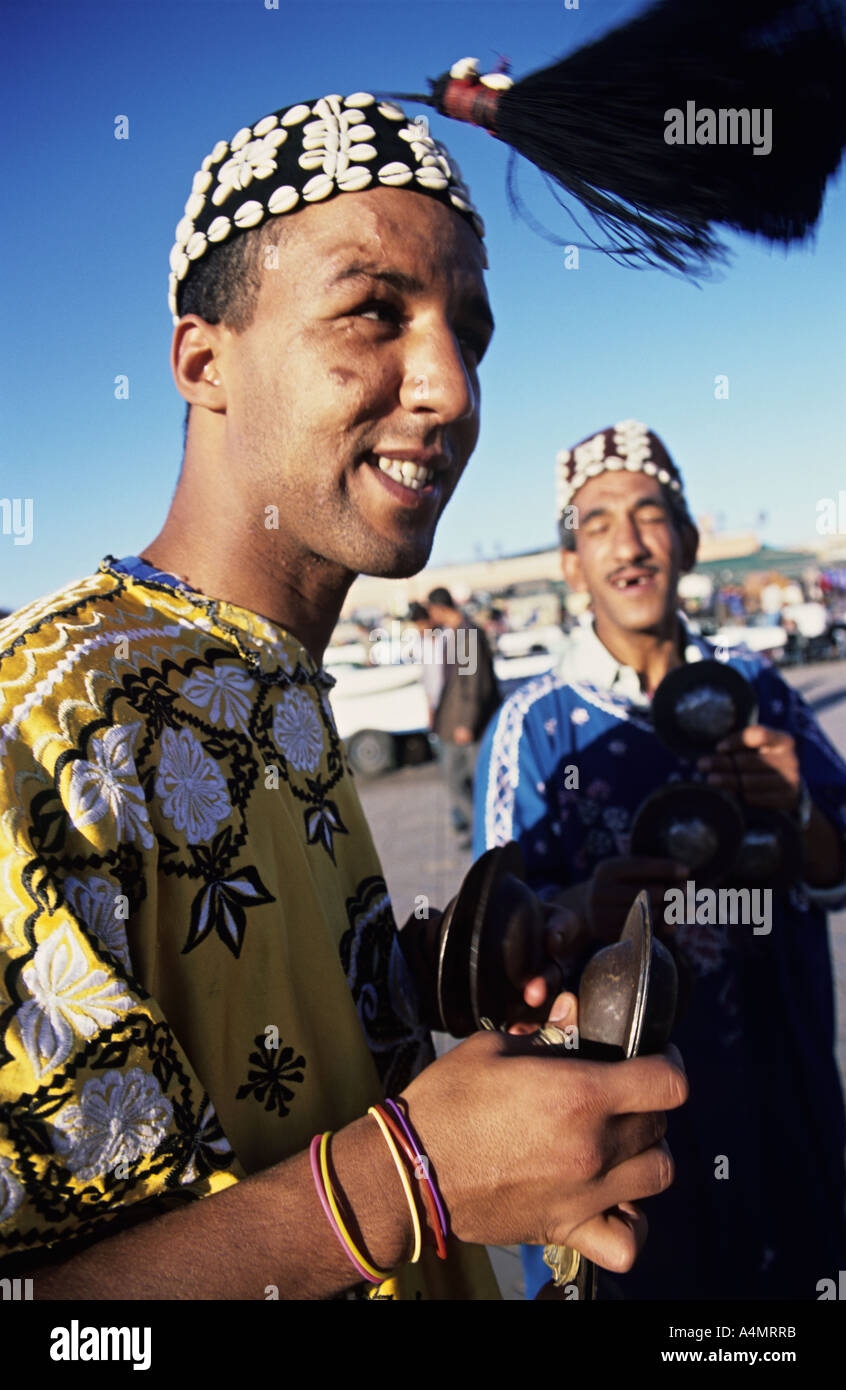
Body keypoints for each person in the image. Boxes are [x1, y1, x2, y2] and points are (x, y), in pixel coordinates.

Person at [0, 104, 686, 1300]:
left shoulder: (276, 677)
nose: (452, 386)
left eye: (469, 333)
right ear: (204, 361)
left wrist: (447, 972)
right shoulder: (42, 721)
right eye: (374, 311)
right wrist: (409, 1181)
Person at [474, 420, 846, 1300]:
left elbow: (835, 874)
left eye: (649, 515)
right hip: (627, 1145)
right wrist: (577, 908)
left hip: (782, 1103)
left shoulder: (756, 688)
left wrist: (793, 799)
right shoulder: (537, 725)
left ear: (686, 540)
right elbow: (498, 960)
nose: (629, 543)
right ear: (571, 564)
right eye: (598, 523)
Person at [423, 586, 500, 848]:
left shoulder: (466, 635)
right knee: (458, 779)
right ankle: (481, 831)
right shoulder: (456, 634)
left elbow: (472, 681)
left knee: (462, 779)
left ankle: (486, 832)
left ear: (439, 608)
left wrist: (466, 722)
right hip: (454, 720)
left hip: (465, 723)